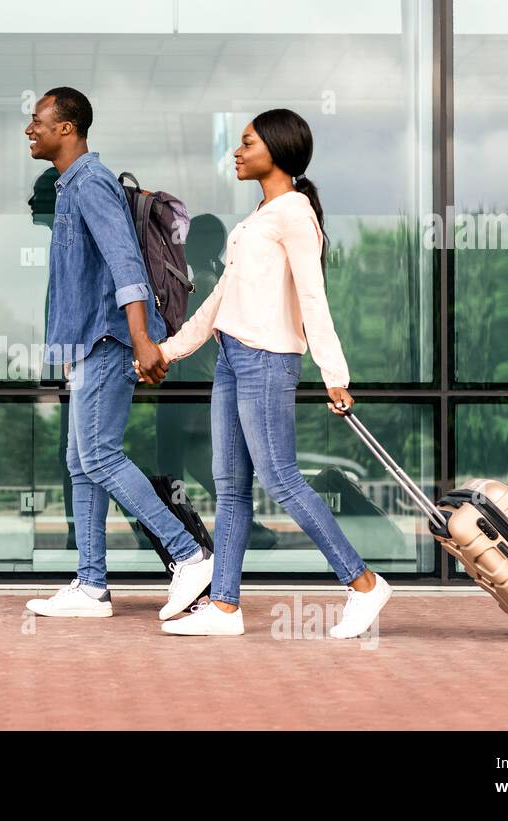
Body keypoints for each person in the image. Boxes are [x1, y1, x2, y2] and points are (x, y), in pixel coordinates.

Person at [147, 109, 392, 637]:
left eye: (246, 143)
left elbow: (312, 296)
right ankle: (225, 607)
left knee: (280, 479)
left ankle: (364, 584)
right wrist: (170, 350)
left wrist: (334, 373)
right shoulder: (258, 218)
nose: (237, 152)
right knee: (230, 486)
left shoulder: (295, 214)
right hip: (233, 360)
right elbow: (218, 300)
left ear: (277, 150)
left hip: (267, 360)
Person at [22, 87, 212, 620]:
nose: (29, 129)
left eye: (38, 121)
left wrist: (142, 339)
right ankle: (90, 586)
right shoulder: (69, 188)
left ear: (67, 128)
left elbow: (125, 263)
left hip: (109, 340)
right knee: (80, 463)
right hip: (87, 344)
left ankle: (188, 554)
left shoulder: (92, 182)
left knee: (100, 456)